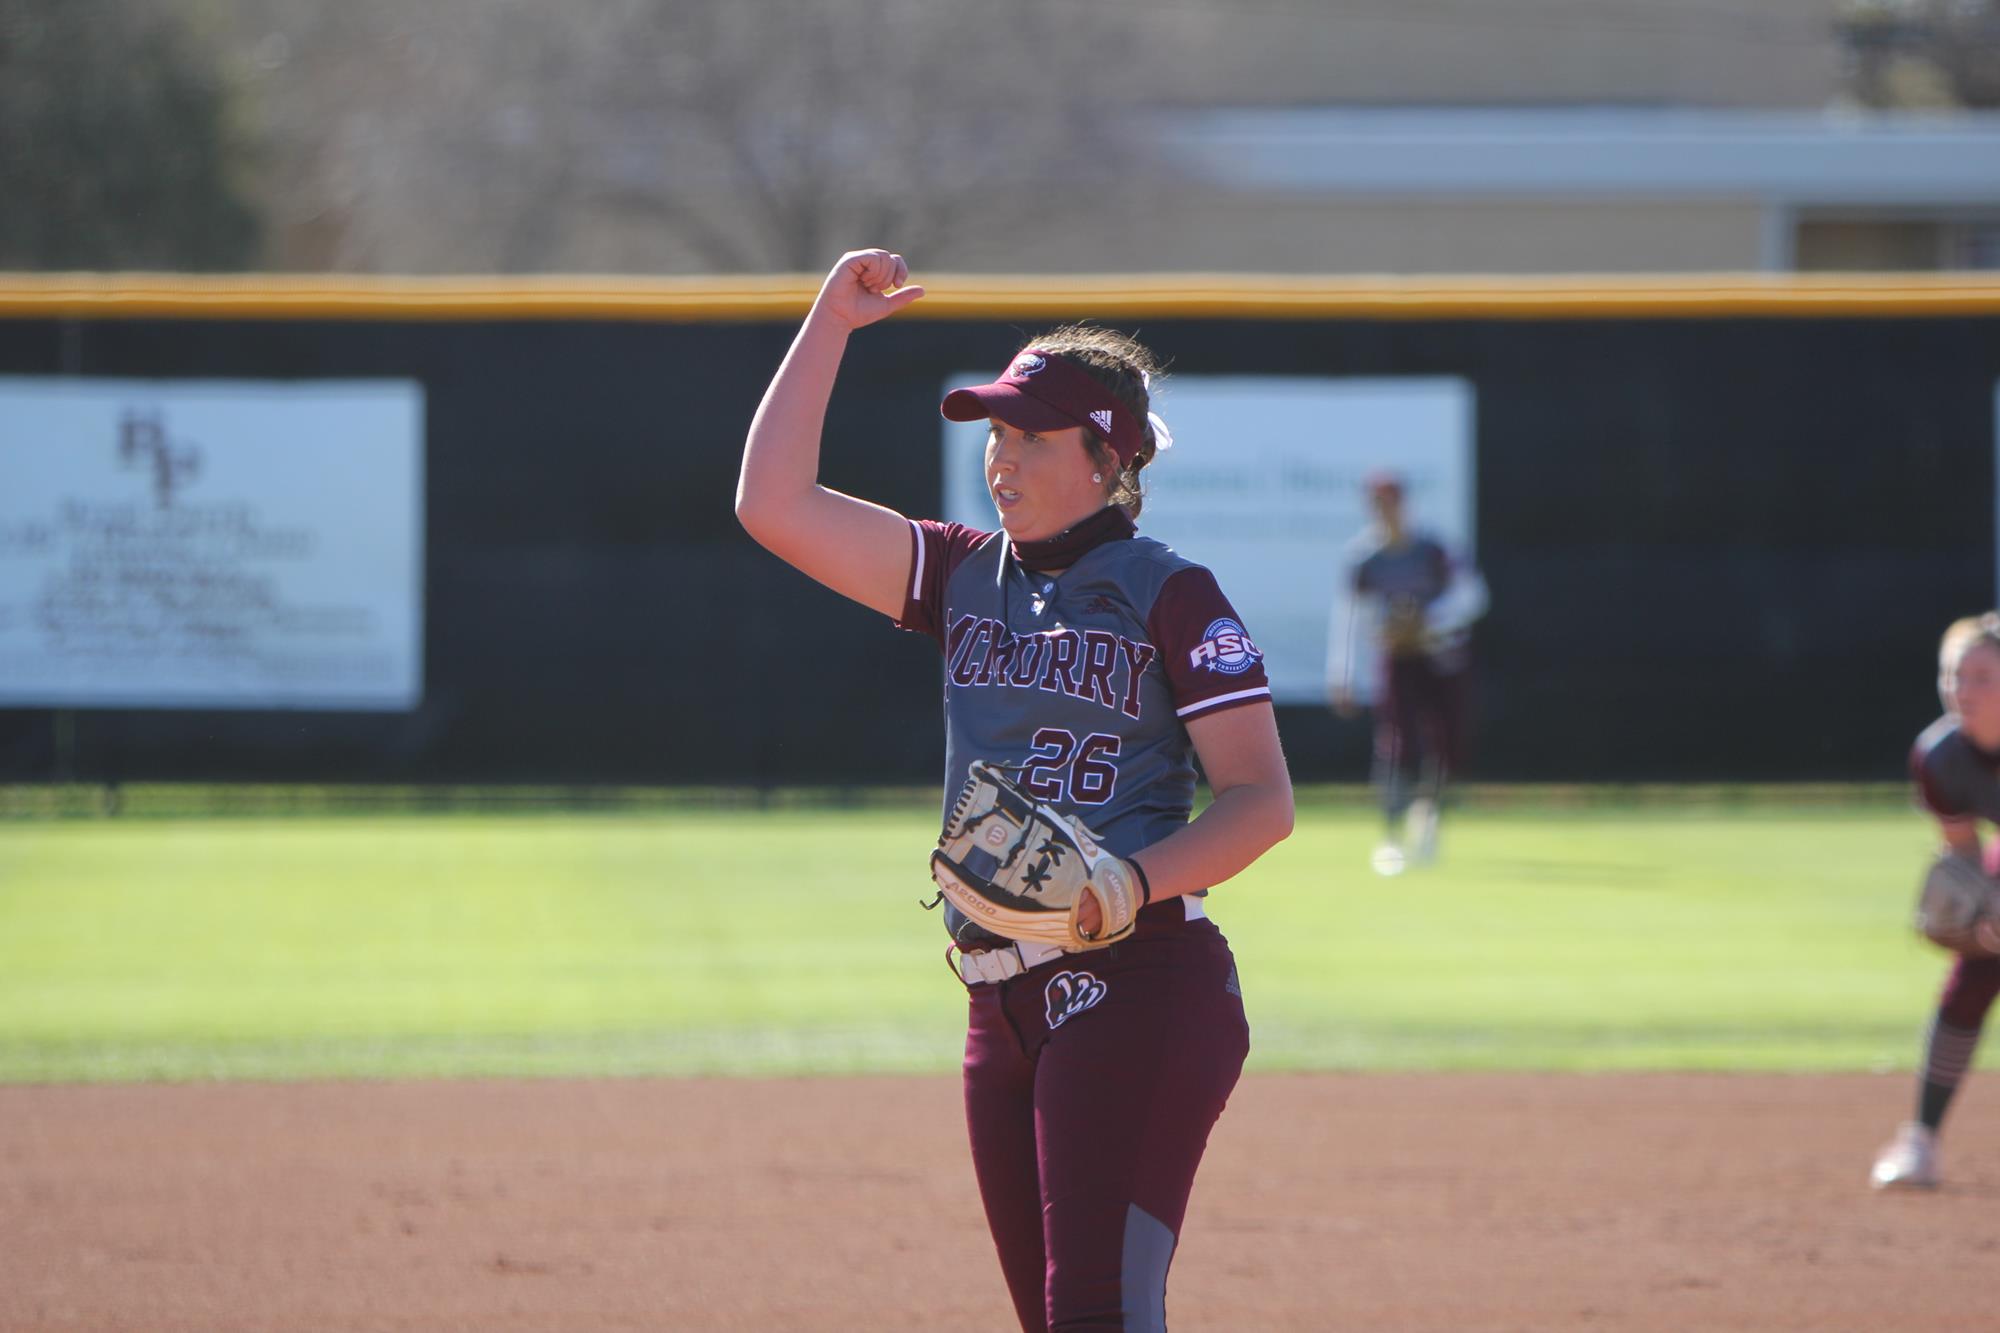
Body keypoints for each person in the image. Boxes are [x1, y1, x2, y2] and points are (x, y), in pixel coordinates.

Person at [735, 249, 1294, 1331]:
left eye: (1031, 435)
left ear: (1104, 456)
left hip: (1136, 980)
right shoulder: (958, 573)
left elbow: (1258, 801)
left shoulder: (1169, 594)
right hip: (997, 997)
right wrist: (830, 325)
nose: (1001, 457)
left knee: (1095, 1313)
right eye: (994, 432)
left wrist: (1131, 880)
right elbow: (771, 502)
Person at [1870, 613, 2000, 1190]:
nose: (1963, 690)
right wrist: (1978, 909)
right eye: (1955, 675)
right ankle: (1920, 1142)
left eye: (1982, 677)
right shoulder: (1940, 757)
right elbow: (1966, 857)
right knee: (1976, 969)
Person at [1325, 470, 1487, 874]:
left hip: (1441, 660)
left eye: (1391, 500)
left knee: (1444, 744)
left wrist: (1428, 622)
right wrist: (1341, 672)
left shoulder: (1433, 548)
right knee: (1396, 744)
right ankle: (1391, 836)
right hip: (1397, 660)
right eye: (1377, 502)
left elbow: (1472, 596)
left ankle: (1429, 819)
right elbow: (1350, 617)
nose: (1386, 510)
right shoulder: (1365, 557)